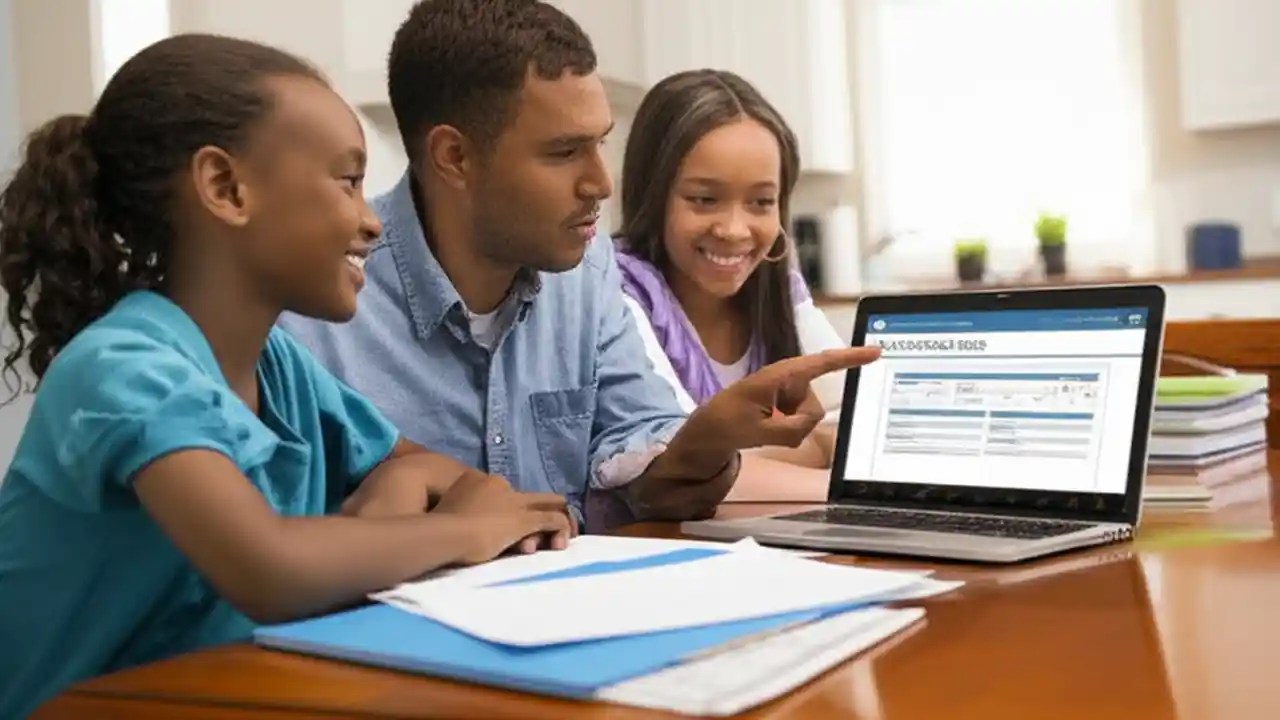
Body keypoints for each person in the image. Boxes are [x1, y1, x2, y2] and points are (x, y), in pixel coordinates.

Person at [0, 34, 576, 718]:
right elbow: (271, 569)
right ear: (226, 188)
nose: (371, 222)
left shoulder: (278, 365)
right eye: (348, 181)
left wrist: (395, 488)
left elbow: (425, 471)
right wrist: (463, 531)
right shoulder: (123, 368)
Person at [279, 0, 881, 531]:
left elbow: (639, 457)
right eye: (565, 152)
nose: (601, 183)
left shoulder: (585, 266)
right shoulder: (312, 309)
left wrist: (706, 440)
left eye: (600, 143)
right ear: (455, 156)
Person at [613, 69, 848, 476]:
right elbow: (679, 466)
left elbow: (857, 423)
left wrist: (813, 445)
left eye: (761, 202)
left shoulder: (778, 285)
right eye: (704, 199)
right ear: (653, 194)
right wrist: (817, 446)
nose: (734, 230)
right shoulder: (617, 290)